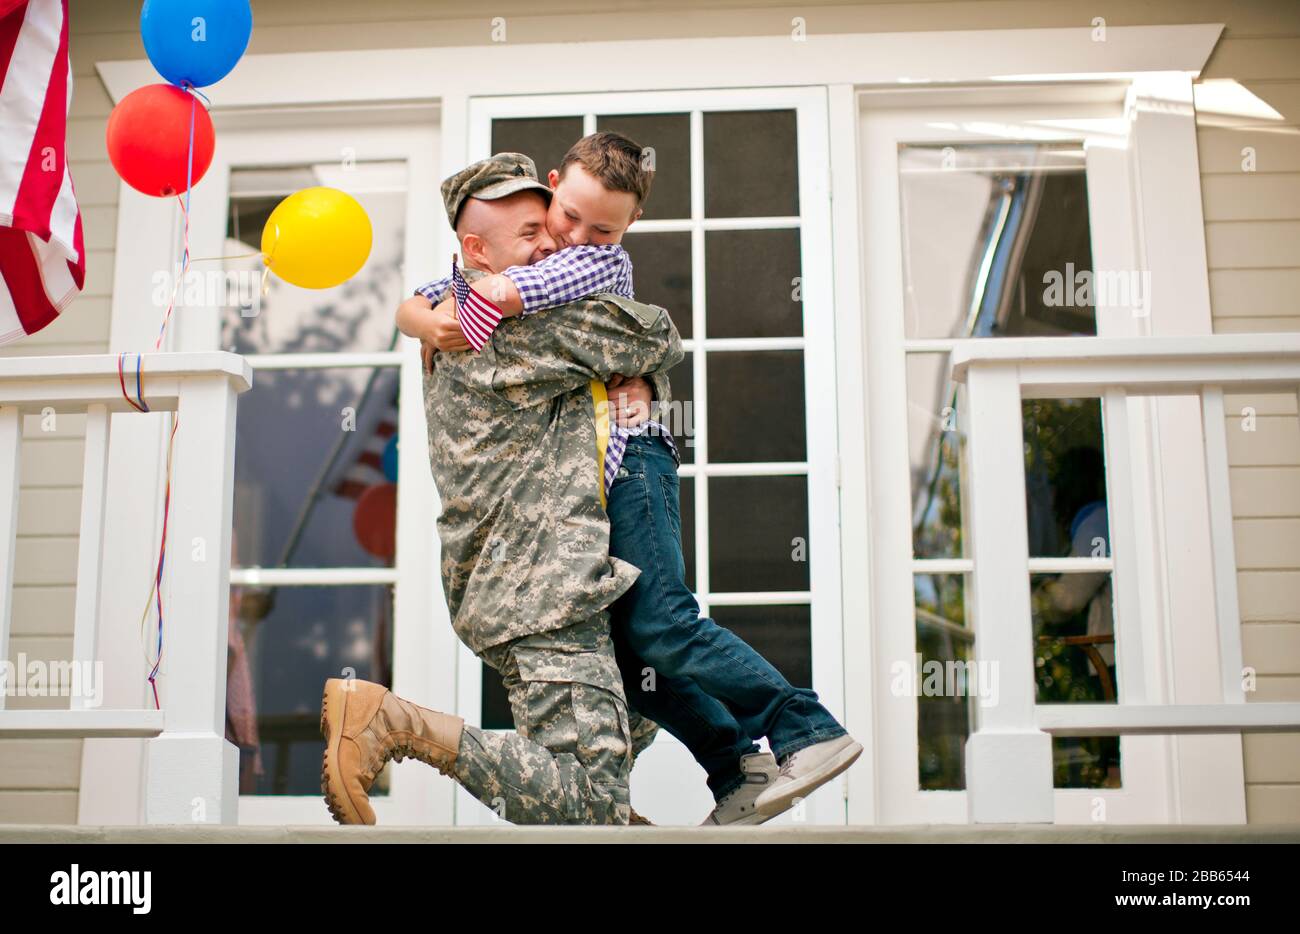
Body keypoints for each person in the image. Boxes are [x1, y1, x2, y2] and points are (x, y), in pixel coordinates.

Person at [400, 134, 862, 824]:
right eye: (554, 222)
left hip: (635, 461)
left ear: (626, 228)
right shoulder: (475, 303)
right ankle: (734, 764)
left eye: (598, 228)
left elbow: (638, 331)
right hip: (602, 480)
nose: (570, 238)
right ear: (555, 188)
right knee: (631, 649)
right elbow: (428, 300)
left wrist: (488, 297)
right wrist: (420, 316)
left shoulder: (580, 271)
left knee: (663, 623)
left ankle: (805, 726)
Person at [320, 151, 681, 826]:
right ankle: (393, 723)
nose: (555, 248)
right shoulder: (491, 332)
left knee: (648, 704)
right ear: (477, 252)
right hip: (545, 587)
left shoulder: (465, 310)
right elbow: (650, 330)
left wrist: (641, 384)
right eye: (531, 236)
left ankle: (599, 815)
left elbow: (633, 355)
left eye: (552, 228)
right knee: (590, 798)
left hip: (537, 580)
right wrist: (646, 369)